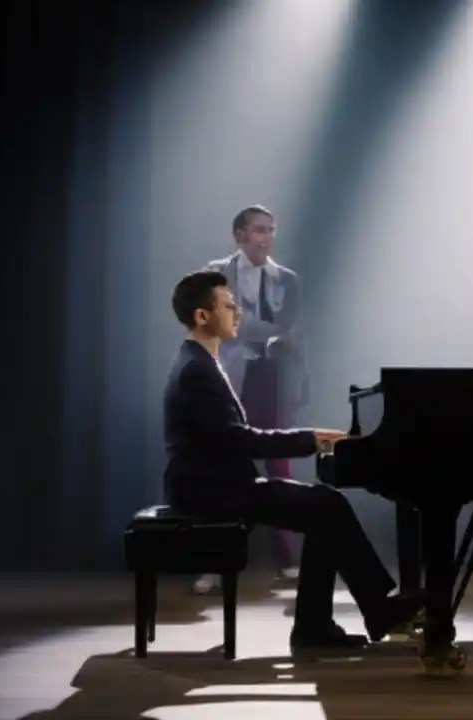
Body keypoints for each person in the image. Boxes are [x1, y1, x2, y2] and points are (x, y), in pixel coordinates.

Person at [163, 270, 420, 649]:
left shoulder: (198, 362)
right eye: (230, 305)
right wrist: (311, 439)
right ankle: (360, 614)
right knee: (326, 505)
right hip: (208, 489)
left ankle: (325, 624)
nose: (238, 314)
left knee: (324, 508)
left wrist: (309, 439)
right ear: (203, 316)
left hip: (213, 482)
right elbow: (241, 441)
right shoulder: (197, 370)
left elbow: (232, 440)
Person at [192, 205, 309, 594]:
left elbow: (290, 333)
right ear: (240, 235)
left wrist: (265, 334)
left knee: (280, 465)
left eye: (271, 230)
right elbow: (225, 326)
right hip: (229, 378)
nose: (266, 237)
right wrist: (266, 332)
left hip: (271, 379)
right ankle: (211, 562)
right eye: (259, 230)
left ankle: (287, 559)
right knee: (221, 465)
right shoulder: (217, 273)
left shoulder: (286, 279)